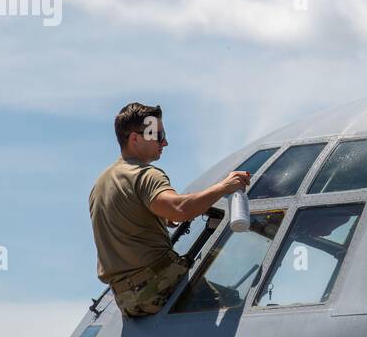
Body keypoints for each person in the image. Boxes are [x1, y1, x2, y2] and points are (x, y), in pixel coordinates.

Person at [89, 102, 249, 319]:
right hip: (157, 287)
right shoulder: (145, 175)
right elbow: (179, 209)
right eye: (157, 135)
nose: (164, 142)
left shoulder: (102, 183)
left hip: (126, 299)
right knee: (235, 305)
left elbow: (132, 218)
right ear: (134, 139)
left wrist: (161, 218)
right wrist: (224, 187)